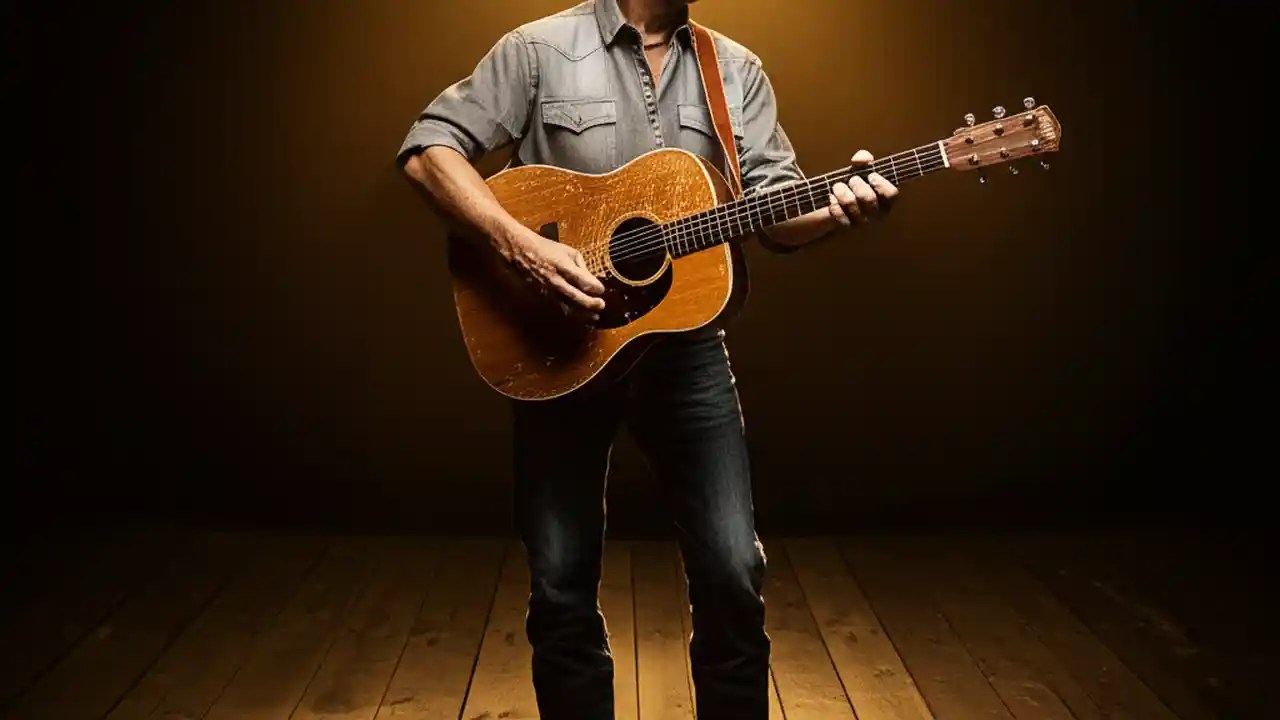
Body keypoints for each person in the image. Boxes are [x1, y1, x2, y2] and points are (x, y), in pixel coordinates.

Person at [396, 1, 897, 717]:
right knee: (561, 584)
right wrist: (519, 246)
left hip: (687, 354)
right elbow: (427, 152)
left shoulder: (736, 70)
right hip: (559, 351)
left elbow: (775, 214)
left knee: (732, 571)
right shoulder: (539, 48)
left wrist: (837, 207)